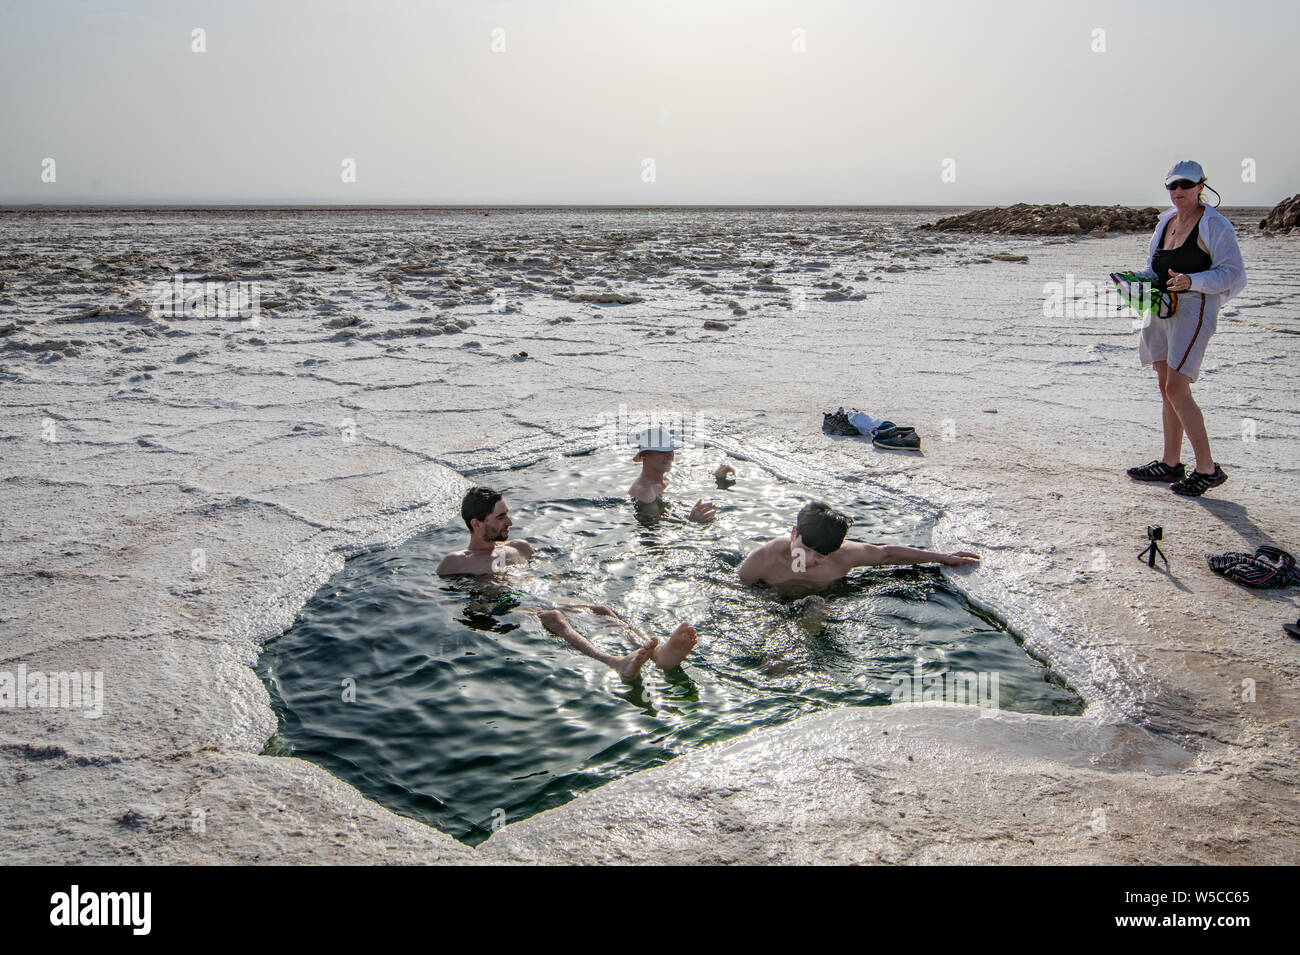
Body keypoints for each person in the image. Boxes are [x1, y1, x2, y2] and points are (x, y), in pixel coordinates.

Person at [438, 486, 697, 679]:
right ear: (476, 523)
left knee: (600, 609)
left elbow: (549, 574)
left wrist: (560, 589)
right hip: (500, 604)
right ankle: (616, 663)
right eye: (500, 517)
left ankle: (658, 653)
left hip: (534, 594)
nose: (510, 522)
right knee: (553, 616)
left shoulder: (519, 548)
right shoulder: (457, 562)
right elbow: (438, 595)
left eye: (507, 514)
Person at [1124, 160, 1246, 497]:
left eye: (1186, 185)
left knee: (1178, 387)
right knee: (1165, 386)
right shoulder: (1166, 221)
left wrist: (1192, 280)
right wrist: (1134, 280)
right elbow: (1155, 266)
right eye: (1172, 186)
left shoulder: (1216, 225)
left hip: (1194, 306)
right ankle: (1170, 463)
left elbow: (1232, 273)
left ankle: (1207, 469)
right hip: (1160, 306)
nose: (1179, 192)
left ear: (1201, 187)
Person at [738, 500, 980, 591]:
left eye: (821, 555)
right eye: (805, 549)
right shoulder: (763, 558)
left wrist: (942, 557)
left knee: (816, 611)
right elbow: (736, 590)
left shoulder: (844, 556)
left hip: (821, 601)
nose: (810, 560)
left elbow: (886, 555)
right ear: (794, 534)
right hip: (771, 601)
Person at [627, 425, 734, 523]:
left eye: (671, 450)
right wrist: (691, 521)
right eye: (662, 451)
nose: (669, 456)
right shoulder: (645, 491)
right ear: (645, 455)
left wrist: (717, 476)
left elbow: (693, 479)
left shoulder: (663, 479)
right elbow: (656, 527)